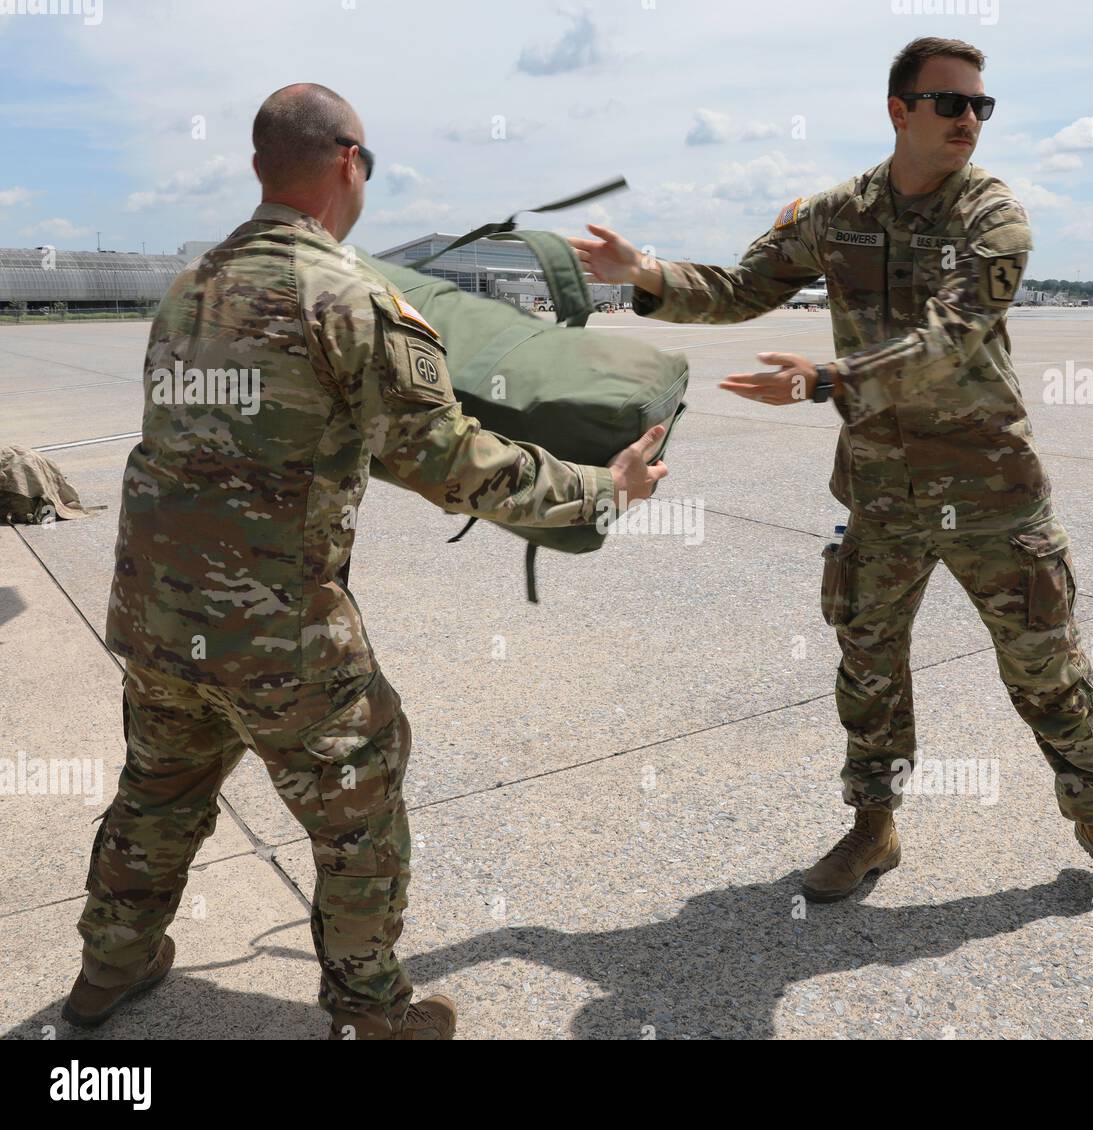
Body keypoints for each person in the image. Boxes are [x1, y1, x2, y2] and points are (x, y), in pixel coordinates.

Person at [65, 82, 668, 1040]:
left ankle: (109, 969)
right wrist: (604, 490)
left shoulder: (190, 287)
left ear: (262, 167)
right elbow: (454, 462)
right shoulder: (347, 295)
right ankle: (370, 1013)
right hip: (278, 635)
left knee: (158, 790)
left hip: (157, 620)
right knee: (360, 810)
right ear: (348, 162)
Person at [570, 38, 1093, 926]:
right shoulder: (835, 212)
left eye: (980, 106)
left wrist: (825, 380)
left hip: (991, 487)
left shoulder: (992, 214)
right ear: (900, 110)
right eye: (950, 103)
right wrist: (646, 274)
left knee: (1046, 666)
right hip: (881, 491)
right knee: (869, 663)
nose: (970, 120)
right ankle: (874, 825)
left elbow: (954, 332)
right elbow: (741, 286)